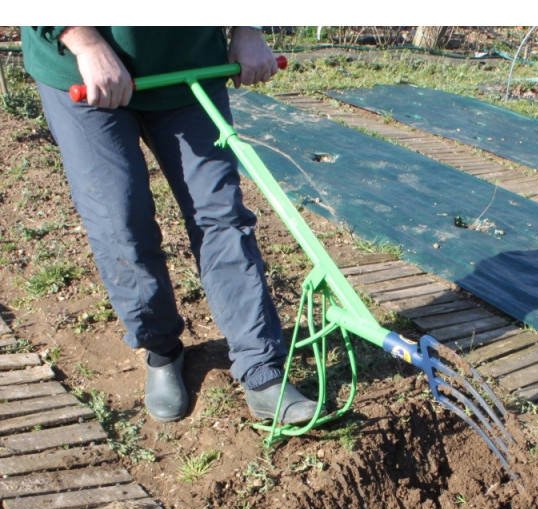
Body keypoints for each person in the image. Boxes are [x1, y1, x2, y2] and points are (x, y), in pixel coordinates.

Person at [21, 26, 317, 424]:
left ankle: (262, 370)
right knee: (120, 221)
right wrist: (83, 41)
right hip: (84, 73)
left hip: (186, 62)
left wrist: (247, 28)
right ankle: (161, 349)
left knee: (222, 214)